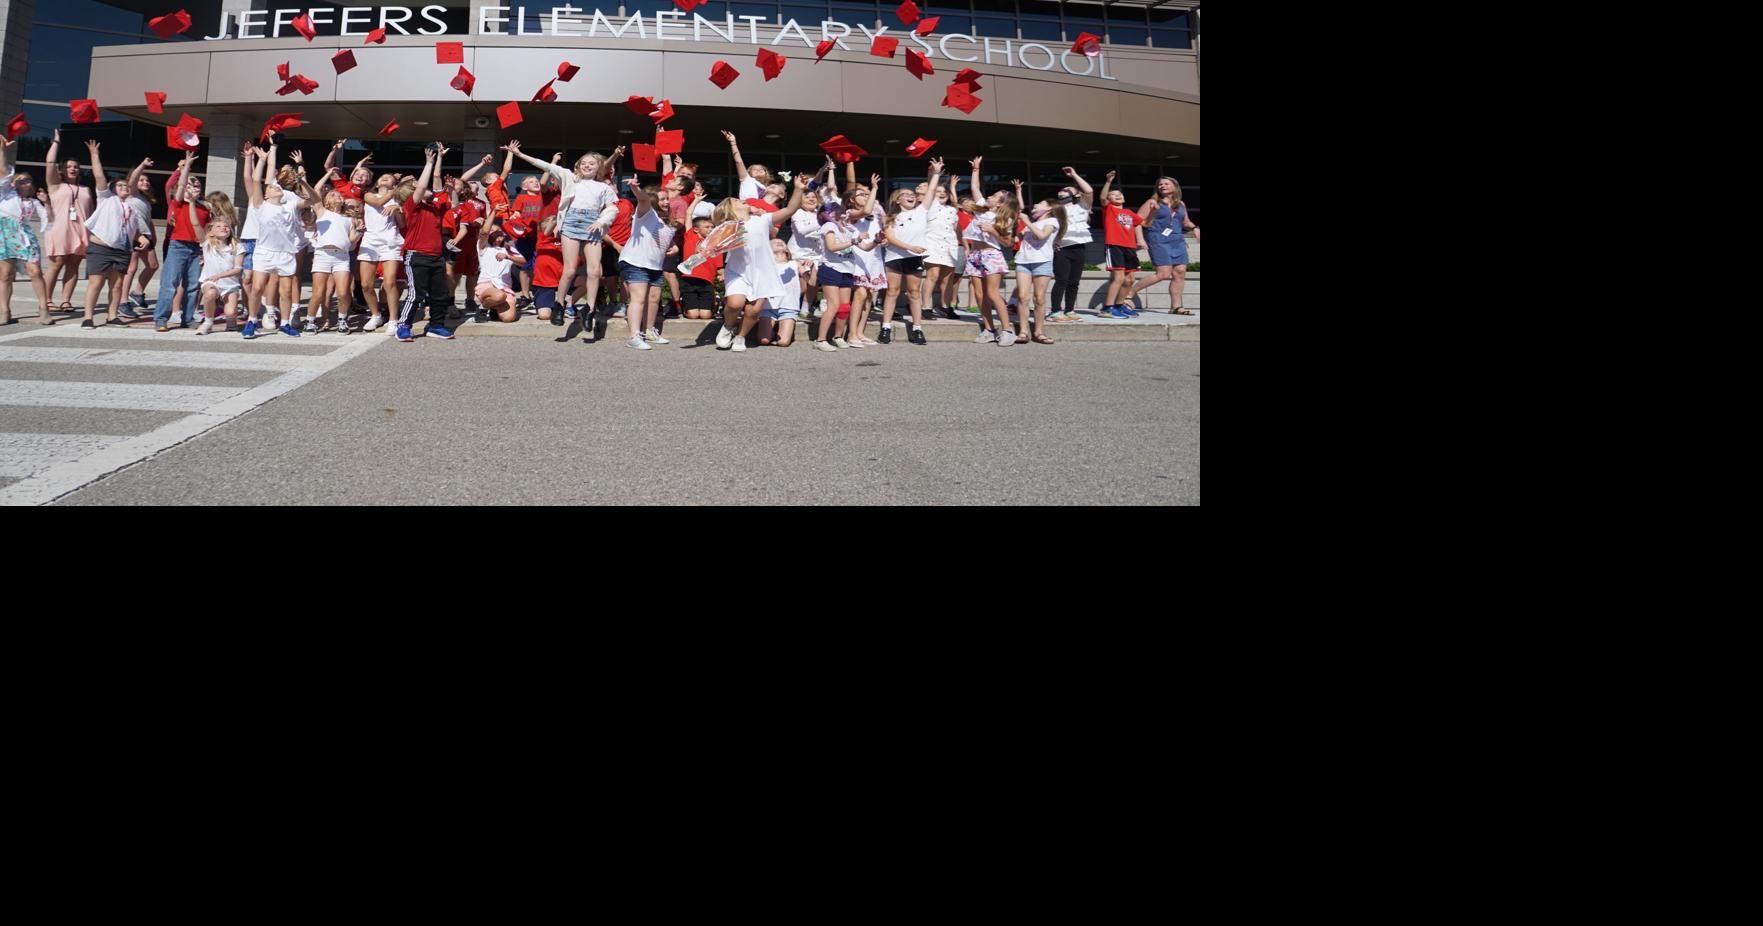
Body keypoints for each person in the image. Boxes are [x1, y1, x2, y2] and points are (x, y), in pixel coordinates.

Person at [504, 141, 620, 321]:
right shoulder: (568, 177)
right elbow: (544, 165)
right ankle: (559, 303)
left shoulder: (604, 187)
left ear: (599, 167)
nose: (587, 165)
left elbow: (612, 208)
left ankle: (589, 309)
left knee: (595, 271)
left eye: (591, 163)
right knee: (570, 269)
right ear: (579, 167)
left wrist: (601, 221)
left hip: (592, 224)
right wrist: (519, 154)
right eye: (583, 163)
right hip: (571, 222)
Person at [713, 172, 810, 353]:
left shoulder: (763, 220)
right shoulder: (728, 227)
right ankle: (728, 327)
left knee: (754, 311)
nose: (744, 201)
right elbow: (712, 248)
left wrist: (798, 189)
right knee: (734, 303)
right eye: (737, 201)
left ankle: (741, 337)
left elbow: (789, 210)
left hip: (763, 272)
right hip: (738, 271)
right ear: (730, 210)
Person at [78, 141, 151, 329]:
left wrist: (141, 238)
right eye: (120, 185)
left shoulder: (132, 209)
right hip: (101, 247)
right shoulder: (106, 199)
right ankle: (88, 318)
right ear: (112, 189)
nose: (124, 187)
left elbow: (133, 231)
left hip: (121, 250)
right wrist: (94, 154)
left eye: (126, 185)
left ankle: (112, 316)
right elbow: (99, 176)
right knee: (96, 282)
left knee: (117, 285)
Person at [242, 142, 306, 338]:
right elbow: (255, 180)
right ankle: (252, 321)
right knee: (258, 286)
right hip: (264, 252)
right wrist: (261, 160)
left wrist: (302, 177)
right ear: (267, 193)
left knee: (286, 291)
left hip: (286, 253)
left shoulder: (291, 205)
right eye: (272, 187)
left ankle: (285, 323)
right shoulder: (260, 205)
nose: (275, 187)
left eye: (278, 186)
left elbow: (310, 198)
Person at [879, 158, 944, 345]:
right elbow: (890, 238)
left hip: (914, 258)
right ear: (898, 200)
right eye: (906, 194)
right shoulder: (891, 217)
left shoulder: (921, 212)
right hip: (895, 257)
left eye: (912, 194)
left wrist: (936, 173)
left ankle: (917, 329)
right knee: (892, 291)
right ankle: (886, 327)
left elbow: (931, 191)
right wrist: (910, 247)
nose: (911, 195)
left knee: (914, 292)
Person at [394, 144, 455, 342]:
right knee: (416, 293)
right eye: (419, 187)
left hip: (436, 256)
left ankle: (436, 326)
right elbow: (421, 187)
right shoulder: (412, 206)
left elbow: (440, 186)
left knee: (440, 294)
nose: (427, 188)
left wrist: (439, 159)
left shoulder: (435, 207)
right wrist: (428, 162)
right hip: (416, 255)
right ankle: (403, 326)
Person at [959, 157, 1018, 345]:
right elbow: (975, 189)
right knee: (979, 294)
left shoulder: (1003, 219)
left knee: (992, 293)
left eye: (994, 196)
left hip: (991, 254)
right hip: (975, 254)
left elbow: (1008, 242)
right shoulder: (982, 210)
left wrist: (992, 230)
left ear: (1000, 204)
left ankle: (1007, 330)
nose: (990, 196)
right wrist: (975, 169)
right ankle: (989, 329)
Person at [615, 178, 678, 349]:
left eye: (667, 198)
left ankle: (649, 330)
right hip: (636, 261)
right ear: (653, 200)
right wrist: (636, 188)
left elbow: (664, 239)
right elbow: (642, 199)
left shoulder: (666, 220)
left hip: (654, 265)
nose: (666, 201)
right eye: (662, 198)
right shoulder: (647, 213)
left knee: (654, 299)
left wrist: (675, 248)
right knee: (638, 299)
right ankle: (634, 336)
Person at [297, 166, 360, 333]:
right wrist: (303, 181)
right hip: (323, 255)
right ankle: (310, 321)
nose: (339, 196)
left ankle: (342, 320)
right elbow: (313, 193)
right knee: (318, 292)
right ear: (327, 200)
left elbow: (351, 242)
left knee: (342, 292)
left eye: (340, 195)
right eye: (334, 195)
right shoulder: (321, 211)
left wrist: (359, 232)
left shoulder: (349, 218)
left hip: (342, 256)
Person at [1126, 177, 1199, 315]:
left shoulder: (1180, 204)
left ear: (1175, 187)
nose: (1162, 186)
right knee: (1163, 273)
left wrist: (1195, 228)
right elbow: (1137, 222)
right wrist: (1140, 240)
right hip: (1158, 240)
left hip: (1177, 241)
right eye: (1160, 184)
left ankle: (1176, 307)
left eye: (1166, 183)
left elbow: (1186, 222)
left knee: (1180, 273)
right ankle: (1129, 293)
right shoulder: (1152, 202)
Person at [0, 134, 52, 325]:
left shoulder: (34, 202)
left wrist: (47, 204)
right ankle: (4, 311)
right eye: (19, 180)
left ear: (31, 186)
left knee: (35, 271)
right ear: (13, 184)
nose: (24, 182)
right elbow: (3, 172)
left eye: (27, 180)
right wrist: (3, 151)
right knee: (5, 274)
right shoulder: (5, 195)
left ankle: (43, 308)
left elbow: (50, 220)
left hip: (25, 237)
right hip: (4, 235)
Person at [154, 151, 210, 330]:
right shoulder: (178, 202)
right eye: (191, 184)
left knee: (193, 285)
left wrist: (205, 251)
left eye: (198, 184)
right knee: (170, 284)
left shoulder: (204, 207)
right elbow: (179, 185)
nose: (194, 186)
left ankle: (188, 318)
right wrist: (186, 167)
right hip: (178, 245)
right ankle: (161, 319)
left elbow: (207, 230)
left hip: (196, 248)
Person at [41, 129, 93, 318]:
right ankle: (45, 300)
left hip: (81, 230)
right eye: (69, 166)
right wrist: (56, 142)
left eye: (76, 167)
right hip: (60, 228)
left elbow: (92, 213)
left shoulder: (86, 189)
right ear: (62, 170)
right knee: (57, 263)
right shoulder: (55, 185)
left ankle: (65, 300)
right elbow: (49, 163)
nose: (73, 169)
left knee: (73, 266)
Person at [1009, 180, 1063, 345]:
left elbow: (1041, 235)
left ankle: (1039, 331)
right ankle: (1024, 331)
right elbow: (1014, 241)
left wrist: (1027, 222)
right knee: (1023, 297)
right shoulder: (1028, 224)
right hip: (1023, 261)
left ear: (1048, 208)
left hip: (1042, 261)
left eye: (1039, 204)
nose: (1034, 206)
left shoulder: (1052, 222)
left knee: (1039, 298)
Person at [358, 156, 405, 332]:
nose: (385, 178)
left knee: (390, 281)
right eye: (382, 177)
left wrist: (398, 209)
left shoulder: (398, 198)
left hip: (391, 241)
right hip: (370, 241)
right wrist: (395, 188)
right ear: (377, 183)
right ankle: (376, 315)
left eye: (389, 177)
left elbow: (401, 224)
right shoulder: (369, 194)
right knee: (366, 284)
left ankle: (393, 319)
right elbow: (378, 202)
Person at [1049, 166, 1096, 322]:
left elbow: (1088, 191)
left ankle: (1070, 310)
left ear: (1076, 194)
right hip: (1061, 247)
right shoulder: (1055, 208)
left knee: (1074, 282)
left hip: (1079, 247)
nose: (1063, 191)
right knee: (1061, 280)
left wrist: (1074, 175)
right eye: (1062, 190)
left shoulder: (1082, 207)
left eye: (1067, 189)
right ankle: (1055, 310)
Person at [194, 197, 242, 335]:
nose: (223, 228)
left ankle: (231, 320)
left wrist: (219, 276)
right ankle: (208, 322)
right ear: (211, 230)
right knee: (210, 294)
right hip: (210, 281)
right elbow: (196, 225)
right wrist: (192, 203)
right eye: (218, 226)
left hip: (229, 284)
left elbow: (238, 269)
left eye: (226, 226)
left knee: (231, 312)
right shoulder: (207, 244)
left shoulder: (237, 246)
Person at [1098, 172, 1144, 318]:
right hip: (1114, 245)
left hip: (1130, 247)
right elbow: (1102, 198)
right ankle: (1107, 308)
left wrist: (1153, 211)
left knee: (1130, 279)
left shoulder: (1129, 212)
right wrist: (1108, 182)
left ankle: (1119, 305)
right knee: (1118, 277)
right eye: (1113, 194)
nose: (1117, 195)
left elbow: (1145, 223)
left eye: (1119, 193)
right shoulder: (1109, 209)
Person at [119, 169, 159, 319]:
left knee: (153, 265)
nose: (145, 182)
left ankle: (137, 293)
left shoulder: (145, 200)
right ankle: (123, 302)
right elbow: (133, 179)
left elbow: (148, 220)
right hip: (133, 235)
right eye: (141, 180)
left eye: (147, 180)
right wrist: (142, 166)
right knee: (131, 268)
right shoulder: (132, 194)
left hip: (146, 236)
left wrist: (152, 235)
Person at [473, 224, 528, 323]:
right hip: (487, 284)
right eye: (492, 230)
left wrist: (508, 257)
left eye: (498, 230)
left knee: (509, 318)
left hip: (504, 286)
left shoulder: (508, 248)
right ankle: (483, 308)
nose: (495, 232)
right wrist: (494, 211)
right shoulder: (483, 246)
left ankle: (494, 308)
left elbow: (523, 261)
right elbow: (485, 231)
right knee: (499, 296)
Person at [755, 238, 801, 347]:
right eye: (775, 242)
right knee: (764, 340)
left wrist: (810, 268)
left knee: (783, 342)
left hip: (788, 306)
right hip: (768, 306)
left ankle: (781, 329)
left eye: (782, 242)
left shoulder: (794, 263)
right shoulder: (764, 265)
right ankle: (772, 330)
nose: (779, 242)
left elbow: (810, 281)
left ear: (786, 249)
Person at [677, 215, 720, 321]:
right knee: (693, 315)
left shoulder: (715, 242)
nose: (710, 229)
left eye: (712, 227)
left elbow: (718, 262)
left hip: (706, 280)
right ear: (696, 229)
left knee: (705, 316)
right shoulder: (691, 237)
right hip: (689, 279)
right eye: (706, 227)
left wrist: (721, 272)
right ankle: (685, 306)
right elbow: (688, 217)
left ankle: (715, 303)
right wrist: (696, 200)